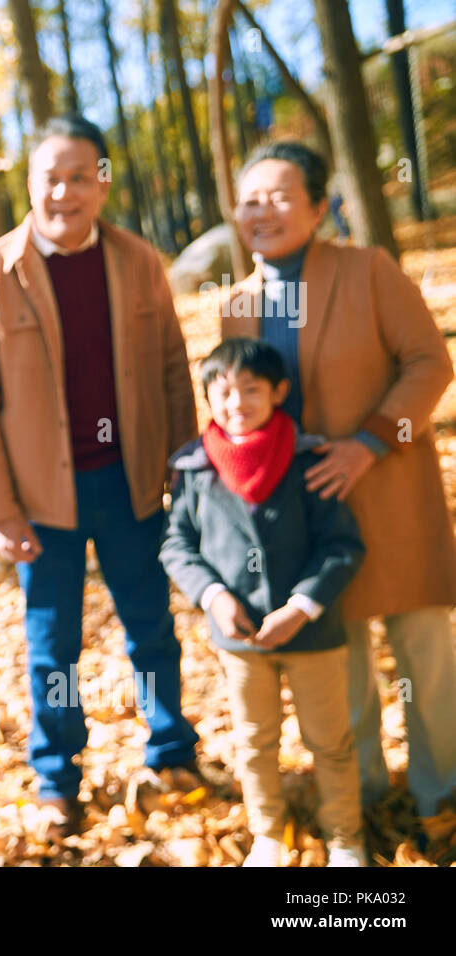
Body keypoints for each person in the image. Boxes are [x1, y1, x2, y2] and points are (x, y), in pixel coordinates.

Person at [0, 114, 200, 835]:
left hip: (133, 484)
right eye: (50, 178)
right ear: (30, 184)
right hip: (40, 497)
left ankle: (172, 748)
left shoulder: (138, 261)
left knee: (151, 627)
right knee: (54, 644)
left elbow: (173, 369)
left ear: (102, 184)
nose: (64, 192)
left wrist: (186, 470)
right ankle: (57, 776)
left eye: (79, 178)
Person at [224, 141, 456, 839]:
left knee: (423, 648)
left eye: (281, 195)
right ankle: (367, 795)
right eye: (251, 198)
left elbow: (429, 362)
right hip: (303, 514)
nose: (262, 210)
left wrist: (370, 442)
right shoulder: (237, 304)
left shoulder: (368, 271)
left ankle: (439, 792)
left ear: (320, 207)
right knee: (339, 655)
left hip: (387, 487)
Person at [160, 338, 366, 867]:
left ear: (279, 391)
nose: (237, 403)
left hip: (312, 633)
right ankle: (268, 835)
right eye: (223, 391)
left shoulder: (307, 458)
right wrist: (213, 595)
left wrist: (302, 606)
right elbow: (177, 546)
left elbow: (342, 546)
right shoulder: (195, 469)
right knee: (255, 743)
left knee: (331, 742)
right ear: (208, 397)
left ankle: (346, 836)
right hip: (241, 637)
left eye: (251, 390)